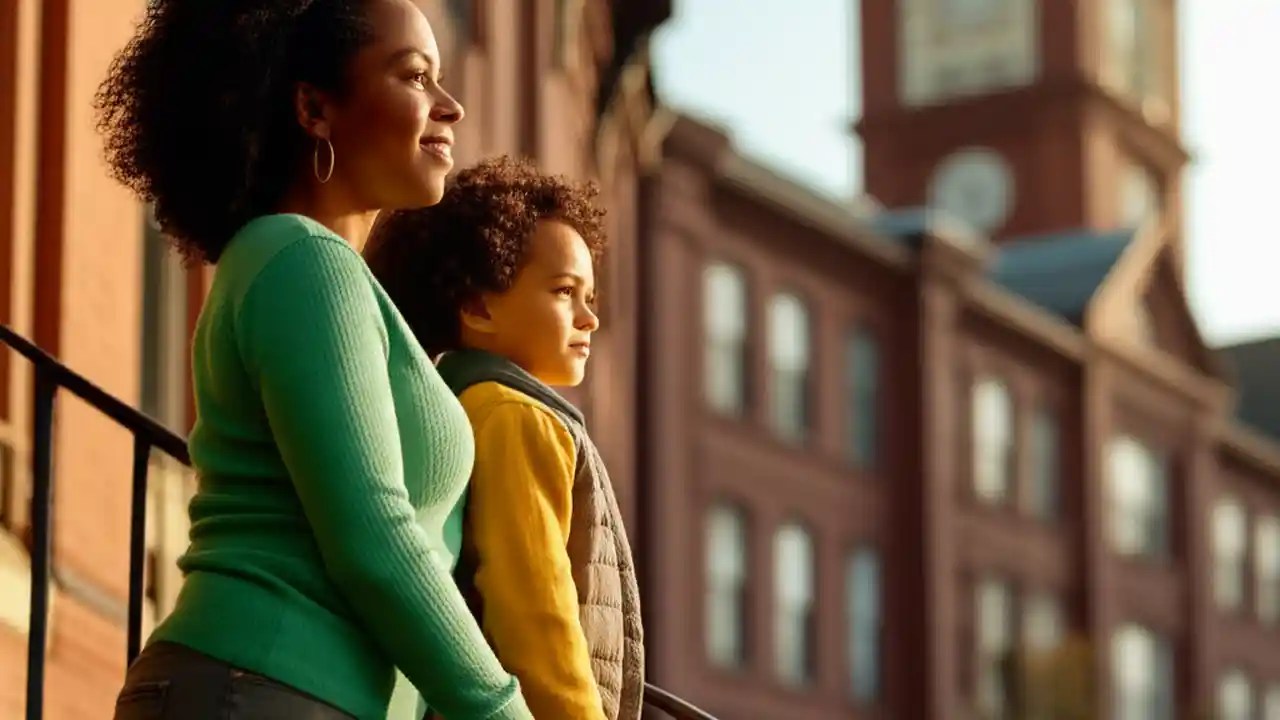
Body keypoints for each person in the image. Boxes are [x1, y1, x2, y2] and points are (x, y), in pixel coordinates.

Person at [97, 2, 532, 718]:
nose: (449, 107)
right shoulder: (304, 261)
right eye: (415, 76)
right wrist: (501, 711)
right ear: (314, 108)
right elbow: (375, 539)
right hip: (261, 686)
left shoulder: (322, 274)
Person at [366, 156, 645, 720]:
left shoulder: (467, 407)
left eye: (590, 296)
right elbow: (534, 606)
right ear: (477, 305)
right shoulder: (515, 417)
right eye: (565, 291)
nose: (589, 318)